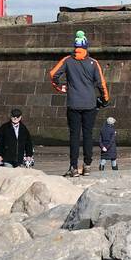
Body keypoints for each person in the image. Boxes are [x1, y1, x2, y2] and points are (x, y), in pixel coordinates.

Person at [50, 33, 109, 177]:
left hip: (74, 104)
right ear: (86, 47)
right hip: (90, 104)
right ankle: (87, 166)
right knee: (88, 135)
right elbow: (101, 83)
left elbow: (53, 74)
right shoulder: (93, 63)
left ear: (75, 47)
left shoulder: (68, 61)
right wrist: (105, 99)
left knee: (74, 136)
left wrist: (60, 87)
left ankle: (74, 167)